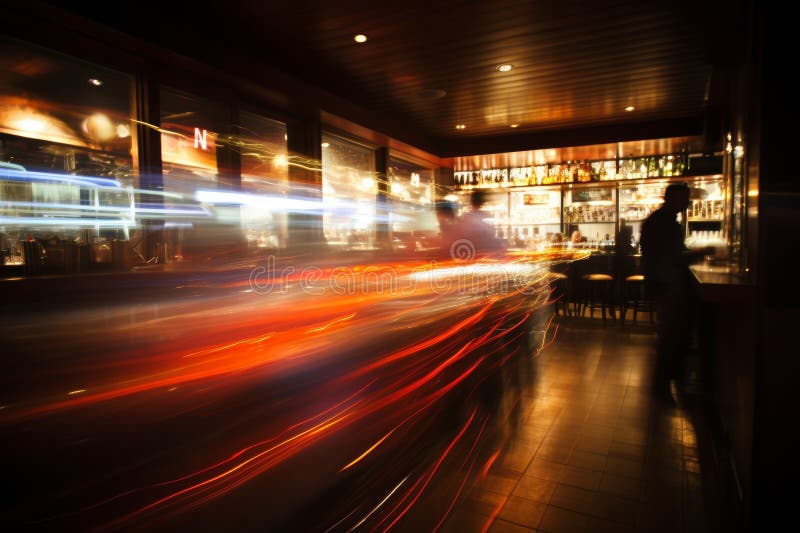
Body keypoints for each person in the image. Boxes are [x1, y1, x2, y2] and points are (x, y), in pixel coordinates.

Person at [640, 183, 714, 400]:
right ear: (672, 199)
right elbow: (673, 256)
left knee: (669, 336)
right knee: (670, 337)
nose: (687, 203)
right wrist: (701, 253)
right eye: (684, 199)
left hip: (662, 283)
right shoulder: (665, 223)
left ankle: (665, 385)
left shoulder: (662, 220)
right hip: (667, 285)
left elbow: (671, 253)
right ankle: (662, 388)